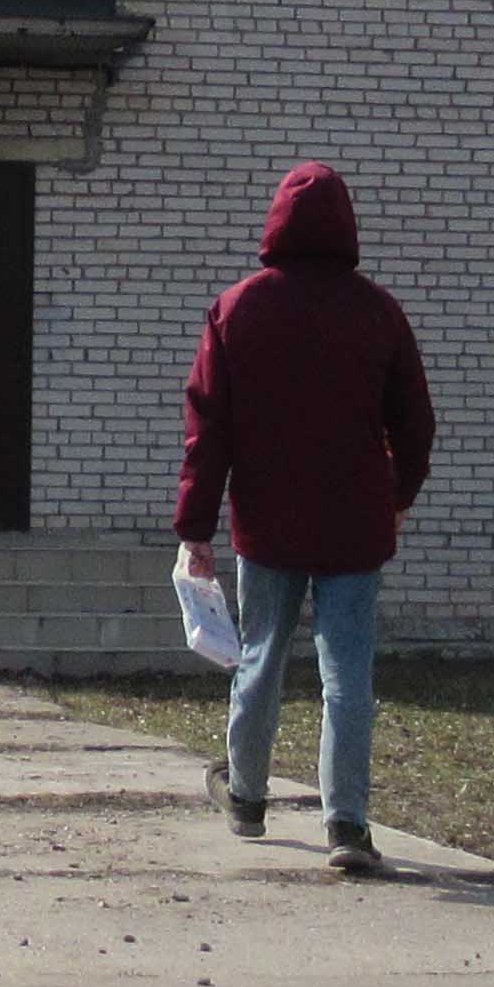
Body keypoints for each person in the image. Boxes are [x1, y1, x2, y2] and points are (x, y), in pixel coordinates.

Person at [172, 159, 437, 875]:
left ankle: (248, 798)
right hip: (355, 524)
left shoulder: (236, 310)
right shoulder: (377, 312)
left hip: (268, 522)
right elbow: (415, 422)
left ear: (276, 224)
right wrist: (400, 494)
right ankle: (346, 824)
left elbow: (209, 431)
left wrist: (195, 528)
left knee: (260, 655)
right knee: (347, 671)